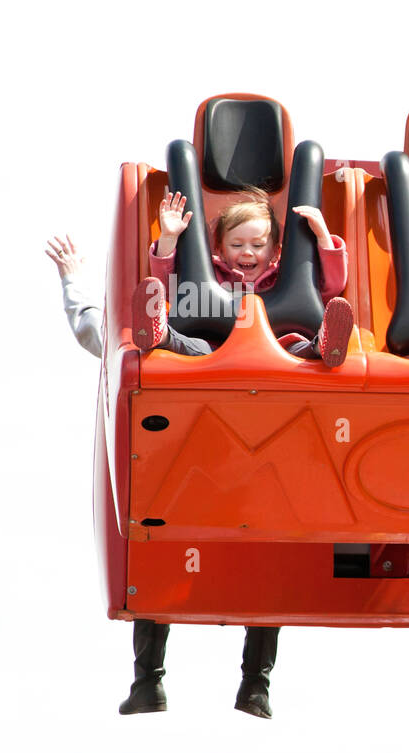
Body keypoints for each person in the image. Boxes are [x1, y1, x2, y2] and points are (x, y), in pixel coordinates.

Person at [47, 233, 281, 718]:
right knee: (254, 571)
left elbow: (92, 328)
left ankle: (215, 684)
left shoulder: (261, 323)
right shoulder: (186, 345)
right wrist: (74, 279)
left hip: (201, 464)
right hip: (214, 459)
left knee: (172, 562)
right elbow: (95, 329)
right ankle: (215, 685)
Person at [137, 187, 353, 366]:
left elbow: (330, 286)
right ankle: (160, 335)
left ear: (276, 252)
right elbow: (173, 287)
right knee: (192, 346)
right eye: (236, 245)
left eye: (258, 245)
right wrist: (168, 238)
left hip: (278, 348)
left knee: (297, 347)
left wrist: (323, 238)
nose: (247, 251)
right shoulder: (210, 274)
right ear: (220, 250)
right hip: (217, 349)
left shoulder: (285, 277)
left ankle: (323, 344)